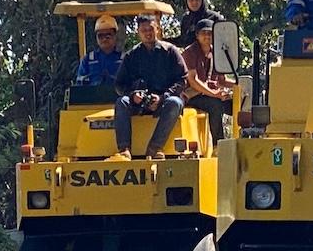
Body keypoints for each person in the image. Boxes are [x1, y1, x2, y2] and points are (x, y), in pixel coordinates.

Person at [111, 14, 188, 161]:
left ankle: (155, 148)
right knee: (122, 102)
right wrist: (133, 95)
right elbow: (119, 85)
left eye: (150, 29)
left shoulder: (170, 51)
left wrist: (162, 97)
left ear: (157, 29)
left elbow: (183, 79)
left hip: (164, 101)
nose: (148, 33)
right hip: (139, 102)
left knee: (175, 103)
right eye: (143, 30)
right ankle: (124, 149)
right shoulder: (131, 56)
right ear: (138, 32)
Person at [181, 18, 233, 143]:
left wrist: (240, 86)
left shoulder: (217, 52)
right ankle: (218, 144)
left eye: (210, 33)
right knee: (215, 105)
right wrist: (214, 94)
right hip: (193, 95)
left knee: (237, 104)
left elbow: (222, 80)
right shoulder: (190, 52)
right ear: (197, 35)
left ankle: (241, 137)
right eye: (203, 33)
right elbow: (193, 81)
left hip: (211, 93)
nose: (207, 36)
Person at [74, 15, 123, 86]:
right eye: (100, 36)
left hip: (118, 95)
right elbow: (80, 84)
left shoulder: (124, 59)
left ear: (115, 36)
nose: (104, 39)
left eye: (108, 35)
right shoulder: (88, 60)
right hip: (92, 95)